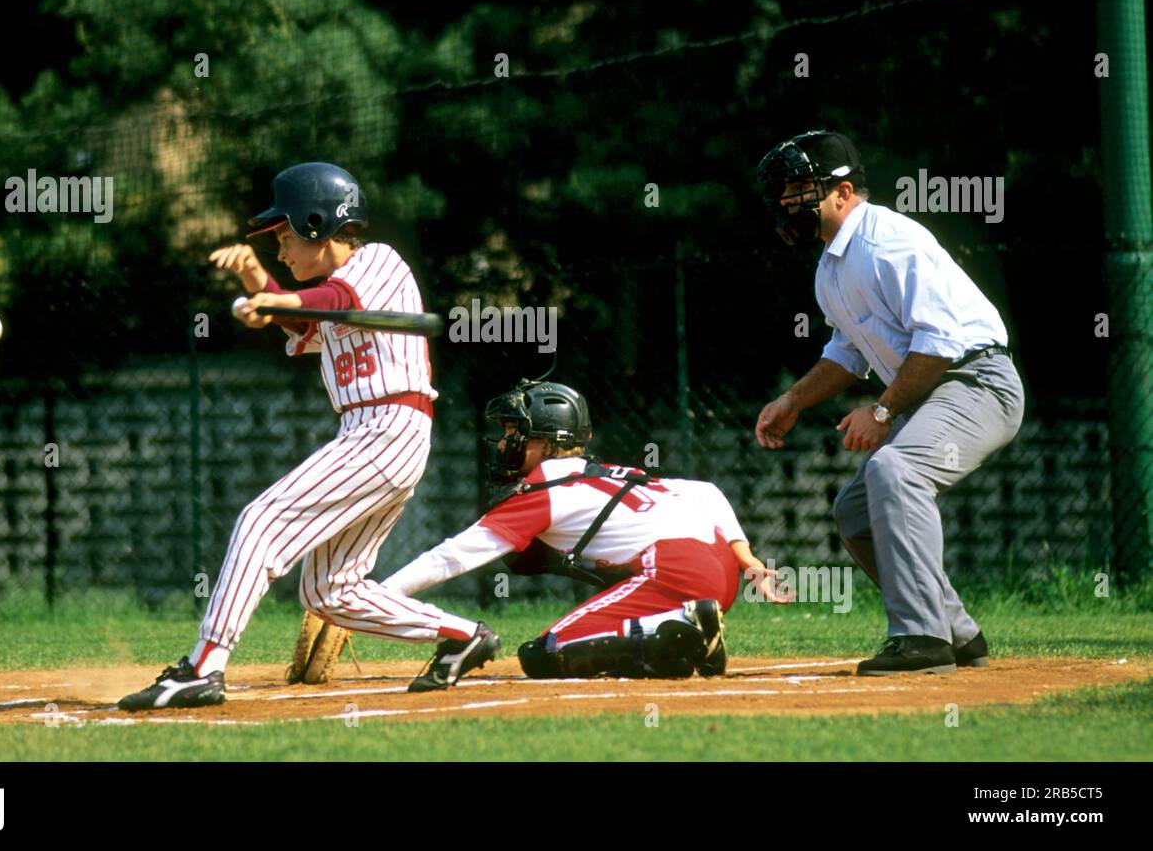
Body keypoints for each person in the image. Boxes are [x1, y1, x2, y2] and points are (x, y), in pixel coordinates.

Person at [119, 162, 498, 709]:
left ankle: (204, 666)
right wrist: (256, 282)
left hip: (387, 428)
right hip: (375, 434)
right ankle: (463, 637)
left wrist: (274, 303)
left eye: (285, 234)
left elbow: (335, 303)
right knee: (327, 591)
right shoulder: (331, 289)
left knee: (260, 522)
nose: (281, 249)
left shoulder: (378, 262)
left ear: (319, 223)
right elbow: (304, 321)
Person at [753, 130, 1025, 676]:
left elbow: (942, 341)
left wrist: (880, 412)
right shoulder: (832, 266)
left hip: (980, 382)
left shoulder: (887, 242)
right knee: (854, 512)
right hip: (937, 387)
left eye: (801, 187)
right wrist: (793, 400)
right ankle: (955, 630)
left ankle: (921, 638)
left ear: (844, 192)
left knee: (896, 471)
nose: (788, 201)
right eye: (785, 190)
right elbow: (847, 353)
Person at [382, 379, 787, 680]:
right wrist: (746, 559)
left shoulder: (546, 490)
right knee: (585, 638)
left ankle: (685, 621)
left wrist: (379, 597)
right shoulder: (609, 472)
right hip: (718, 572)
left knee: (543, 654)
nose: (505, 443)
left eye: (514, 433)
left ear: (549, 441)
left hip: (673, 570)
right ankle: (687, 634)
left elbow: (454, 555)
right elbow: (707, 492)